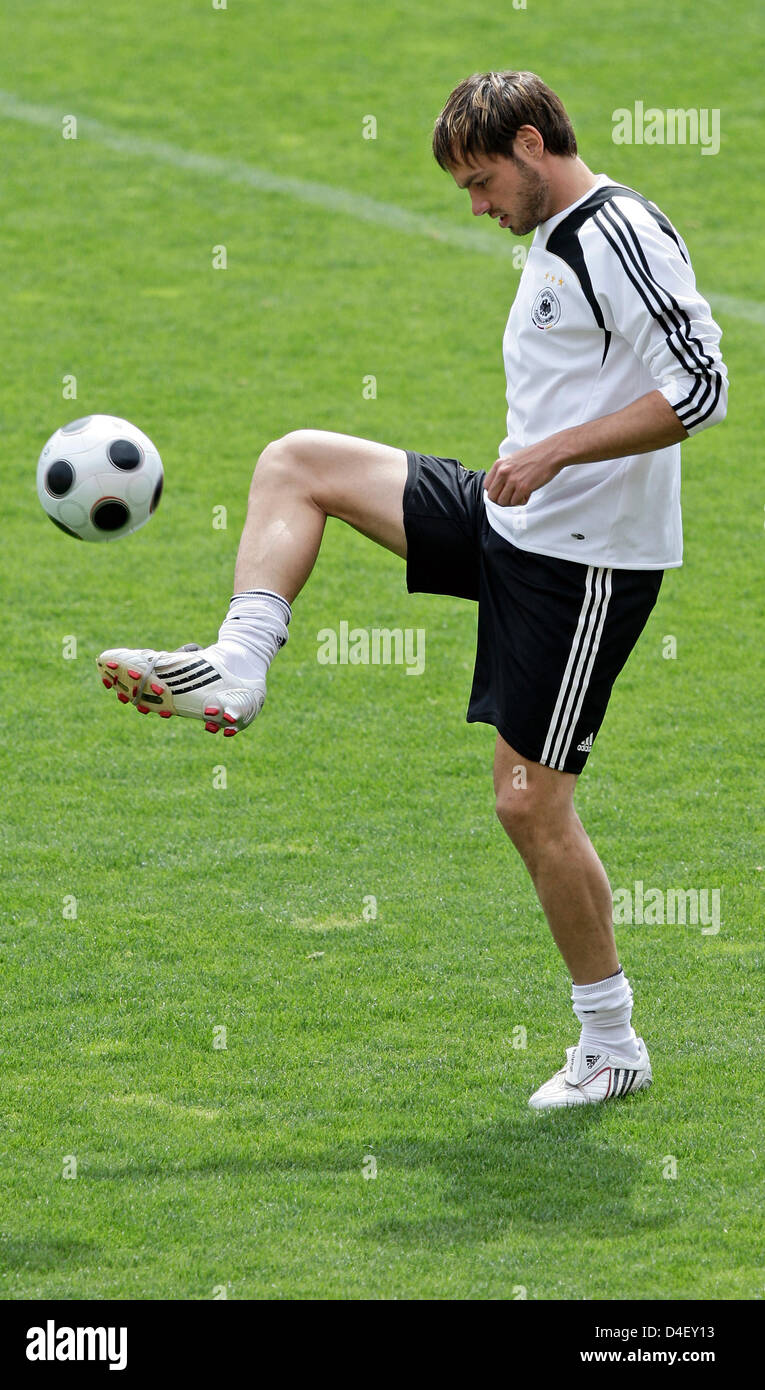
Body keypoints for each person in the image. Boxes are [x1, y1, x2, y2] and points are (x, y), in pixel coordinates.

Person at [97, 71, 728, 1110]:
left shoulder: (618, 232)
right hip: (513, 517)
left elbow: (702, 386)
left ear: (533, 144)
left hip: (585, 568)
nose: (477, 208)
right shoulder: (556, 236)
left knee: (528, 804)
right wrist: (538, 468)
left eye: (482, 183)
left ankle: (612, 1045)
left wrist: (559, 455)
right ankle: (239, 664)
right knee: (298, 462)